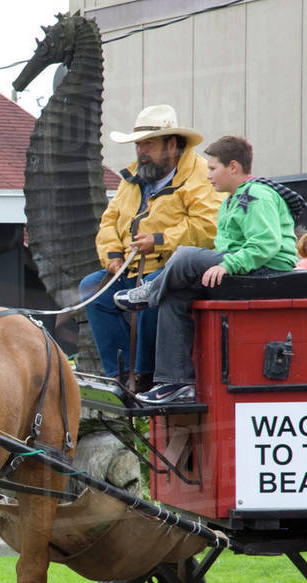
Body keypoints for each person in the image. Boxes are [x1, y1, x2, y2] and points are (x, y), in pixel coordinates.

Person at [117, 135, 305, 404]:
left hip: (266, 272)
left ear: (233, 167)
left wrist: (228, 264)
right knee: (175, 296)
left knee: (185, 256)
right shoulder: (230, 201)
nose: (207, 177)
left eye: (212, 169)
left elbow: (266, 244)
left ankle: (149, 292)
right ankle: (176, 384)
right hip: (247, 269)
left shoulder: (256, 196)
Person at [79, 104, 221, 391]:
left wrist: (158, 240)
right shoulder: (133, 178)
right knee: (92, 289)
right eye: (139, 144)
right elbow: (109, 221)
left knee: (149, 297)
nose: (141, 151)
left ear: (172, 144)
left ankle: (145, 378)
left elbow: (209, 228)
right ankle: (120, 375)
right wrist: (114, 257)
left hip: (174, 271)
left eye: (148, 144)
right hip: (131, 267)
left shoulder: (200, 176)